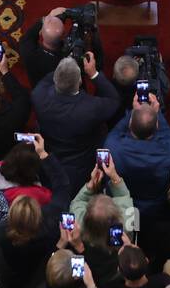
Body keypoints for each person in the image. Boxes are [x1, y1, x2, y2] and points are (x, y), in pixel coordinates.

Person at [30, 54, 121, 194]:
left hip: (48, 163)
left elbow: (49, 78)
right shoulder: (91, 108)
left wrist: (65, 64)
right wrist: (93, 74)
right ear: (79, 81)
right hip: (80, 166)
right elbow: (114, 99)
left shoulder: (38, 95)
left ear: (55, 80)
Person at [102, 96, 170, 222]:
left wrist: (133, 112)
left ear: (130, 123)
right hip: (156, 206)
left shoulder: (114, 149)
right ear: (157, 125)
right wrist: (157, 113)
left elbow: (115, 132)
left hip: (125, 205)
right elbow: (168, 135)